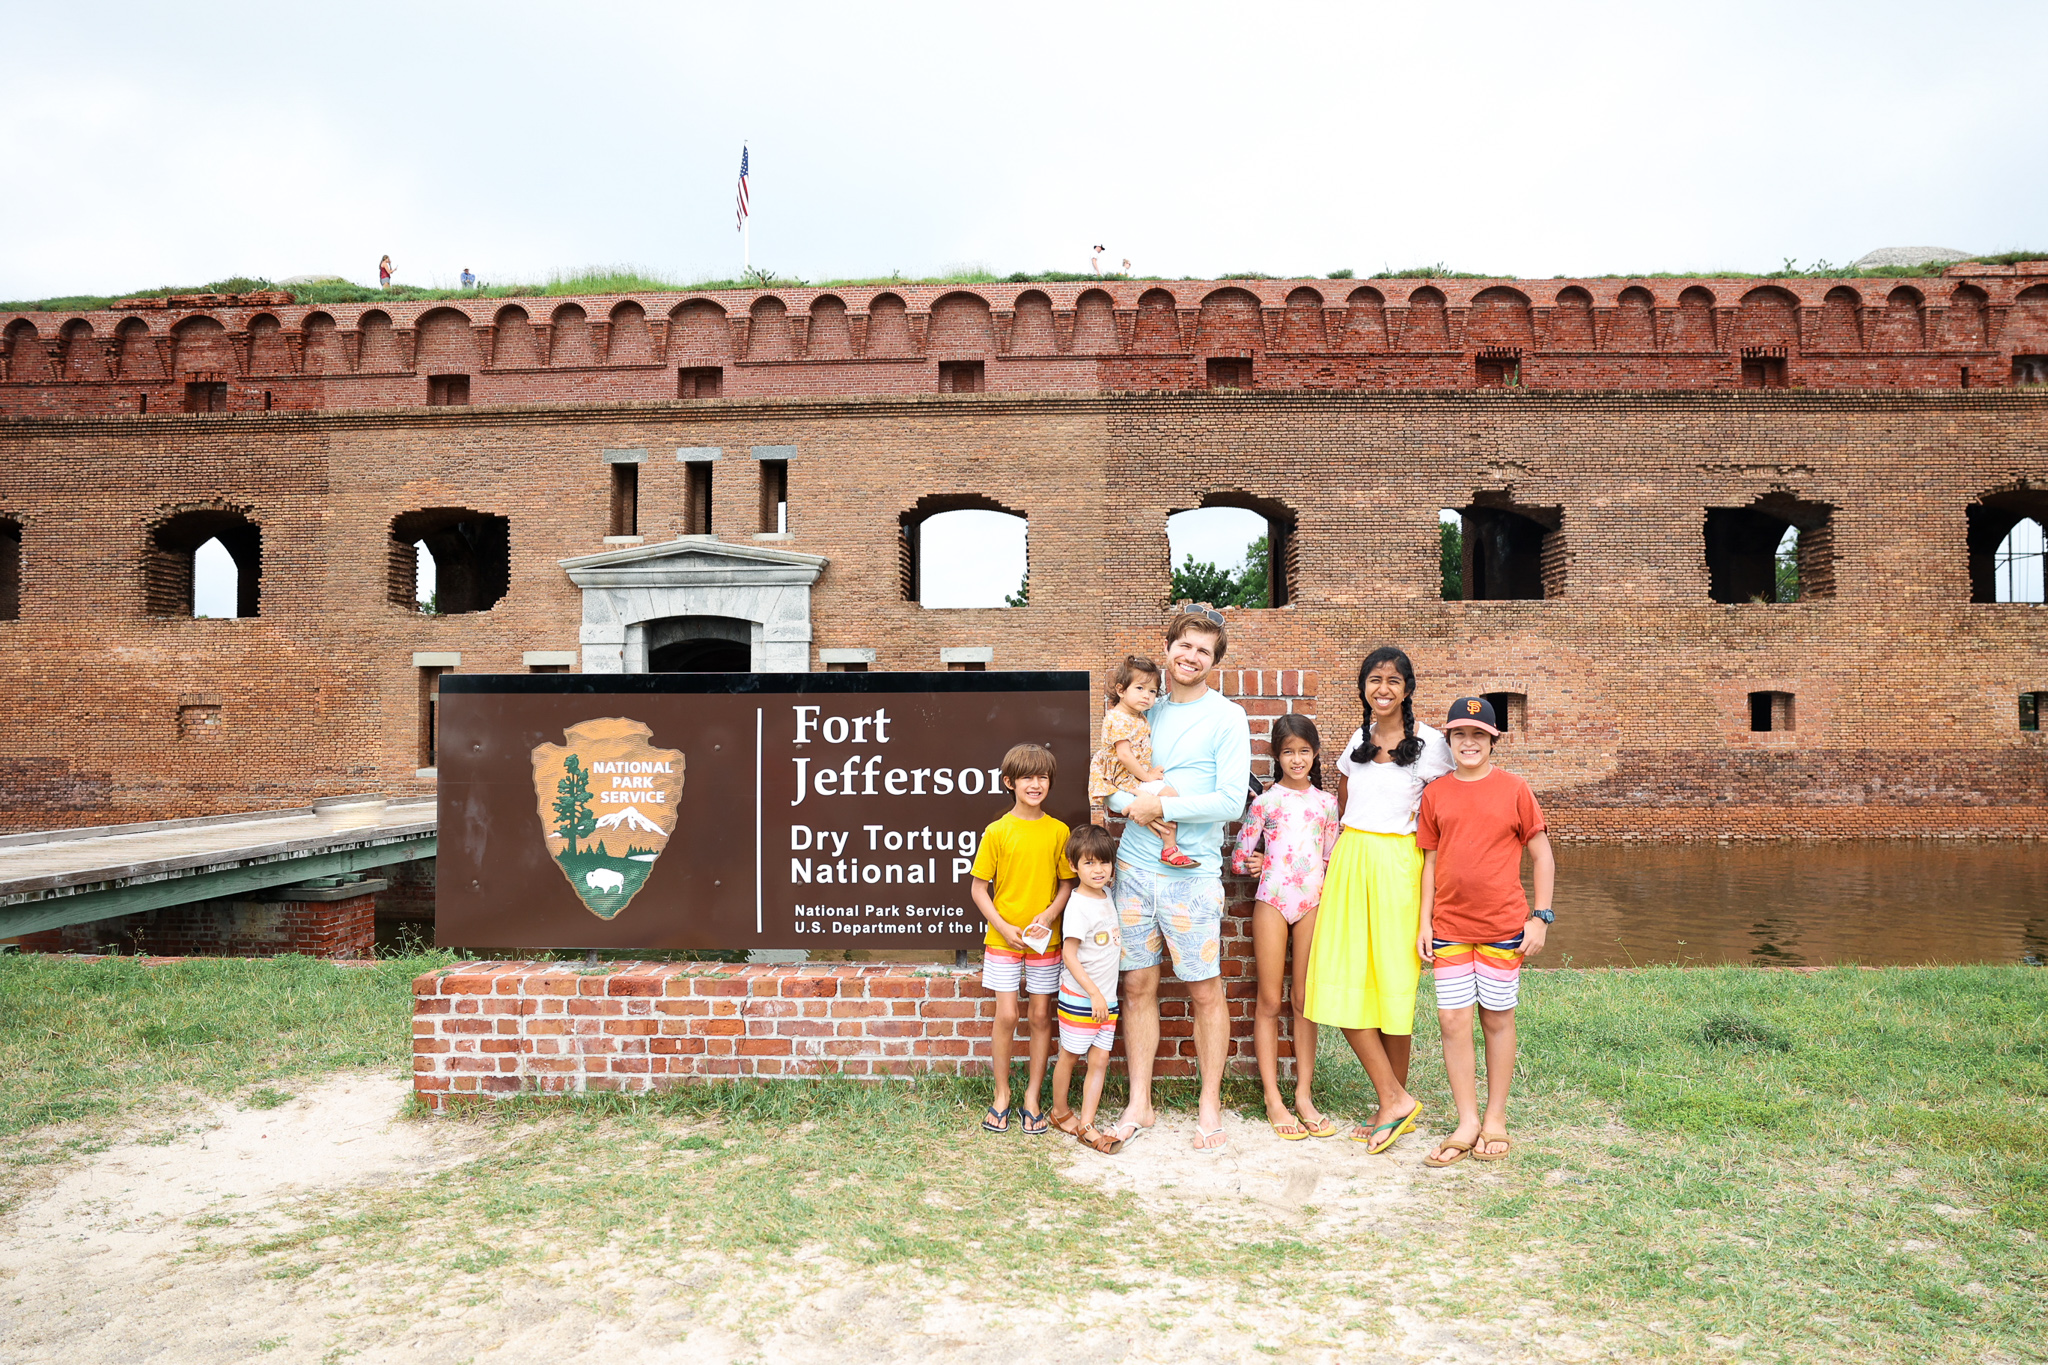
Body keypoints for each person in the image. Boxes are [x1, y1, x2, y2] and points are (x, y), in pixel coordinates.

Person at [1102, 608, 1251, 1152]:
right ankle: (1140, 1102)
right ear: (1168, 648)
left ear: (1214, 662)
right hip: (1135, 870)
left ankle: (1209, 1103)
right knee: (1138, 986)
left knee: (1204, 989)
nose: (1190, 657)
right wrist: (1134, 805)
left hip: (1191, 877)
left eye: (1203, 651)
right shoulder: (1143, 713)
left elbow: (1232, 800)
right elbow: (1112, 785)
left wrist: (1163, 801)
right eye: (1184, 645)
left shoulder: (1227, 718)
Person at [1303, 646, 1452, 1153]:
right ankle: (1394, 1097)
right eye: (1374, 680)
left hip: (1399, 867)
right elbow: (1342, 803)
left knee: (1393, 989)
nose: (1382, 689)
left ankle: (1391, 1105)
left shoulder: (1433, 744)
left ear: (1408, 687)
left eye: (1393, 680)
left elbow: (1445, 818)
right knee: (1338, 983)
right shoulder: (1357, 741)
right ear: (1363, 687)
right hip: (1351, 861)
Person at [1417, 697, 1555, 1166]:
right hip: (1450, 927)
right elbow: (1430, 861)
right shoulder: (1436, 793)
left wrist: (1541, 916)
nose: (1469, 742)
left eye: (1478, 735)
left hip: (1502, 927)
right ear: (1449, 741)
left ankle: (1495, 1117)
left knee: (1496, 1018)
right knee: (1452, 1020)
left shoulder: (1514, 789)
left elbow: (1542, 855)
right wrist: (1424, 922)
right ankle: (1468, 1119)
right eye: (1459, 735)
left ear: (1493, 740)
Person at [1233, 713, 1341, 1140]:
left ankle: (1303, 1095)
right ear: (1276, 756)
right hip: (1273, 902)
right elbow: (1240, 857)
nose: (1296, 760)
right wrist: (1256, 862)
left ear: (1314, 755)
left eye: (1303, 751)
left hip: (1312, 902)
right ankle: (1273, 1098)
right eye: (1287, 752)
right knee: (1268, 1000)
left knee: (1303, 999)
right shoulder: (1266, 802)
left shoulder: (1327, 803)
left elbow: (1332, 859)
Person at [970, 742, 1075, 1136]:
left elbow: (1067, 884)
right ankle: (1002, 1094)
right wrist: (1002, 925)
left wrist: (1048, 915)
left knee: (1039, 1017)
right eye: (1027, 777)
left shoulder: (1058, 831)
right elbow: (980, 889)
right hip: (1002, 940)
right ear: (1010, 782)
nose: (1036, 784)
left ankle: (1032, 1096)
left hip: (1045, 943)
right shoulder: (997, 831)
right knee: (1009, 1015)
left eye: (1043, 777)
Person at [1048, 824, 1126, 1155]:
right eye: (1089, 863)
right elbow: (1069, 954)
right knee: (1070, 1055)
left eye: (1104, 863)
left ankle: (1088, 1124)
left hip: (1106, 999)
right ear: (1073, 865)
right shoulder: (1078, 905)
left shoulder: (1107, 894)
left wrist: (1103, 996)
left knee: (1100, 1060)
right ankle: (1060, 1111)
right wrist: (1094, 993)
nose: (1098, 870)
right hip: (1083, 998)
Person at [1088, 655, 1195, 866]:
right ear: (1121, 690)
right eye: (1139, 688)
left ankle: (1169, 846)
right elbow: (1124, 755)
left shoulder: (1135, 716)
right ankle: (1170, 849)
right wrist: (1147, 776)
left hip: (1131, 774)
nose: (1147, 696)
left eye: (1152, 691)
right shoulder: (1118, 718)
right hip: (1125, 777)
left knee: (1163, 803)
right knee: (1169, 795)